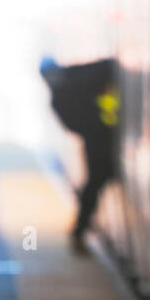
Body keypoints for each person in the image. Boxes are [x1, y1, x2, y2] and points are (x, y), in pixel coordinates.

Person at [40, 56, 120, 255]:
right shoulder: (61, 94)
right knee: (94, 183)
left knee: (94, 184)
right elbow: (73, 125)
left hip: (100, 139)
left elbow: (109, 65)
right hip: (97, 142)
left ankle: (80, 231)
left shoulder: (66, 87)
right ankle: (79, 232)